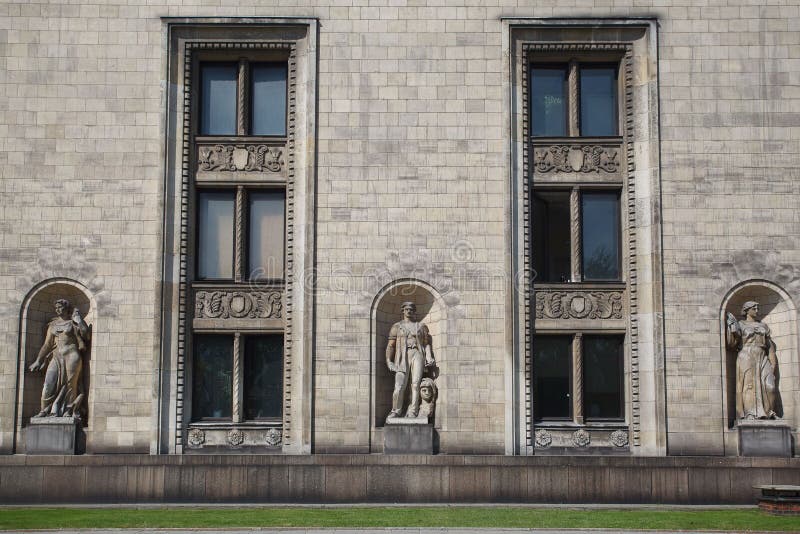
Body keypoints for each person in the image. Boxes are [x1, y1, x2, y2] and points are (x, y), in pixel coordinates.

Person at [28, 299, 90, 419]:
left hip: (72, 355)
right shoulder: (52, 325)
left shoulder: (73, 323)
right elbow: (47, 345)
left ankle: (69, 410)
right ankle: (45, 410)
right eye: (56, 307)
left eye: (60, 307)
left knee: (71, 384)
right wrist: (38, 360)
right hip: (57, 356)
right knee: (48, 384)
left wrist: (79, 320)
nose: (57, 309)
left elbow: (86, 335)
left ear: (66, 308)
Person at [725, 300, 781, 420]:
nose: (757, 311)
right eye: (754, 308)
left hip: (762, 355)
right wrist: (733, 331)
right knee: (748, 385)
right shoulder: (740, 324)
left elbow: (770, 347)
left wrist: (773, 363)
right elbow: (732, 345)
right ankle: (749, 413)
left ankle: (769, 412)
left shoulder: (763, 326)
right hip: (746, 355)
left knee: (770, 386)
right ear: (746, 310)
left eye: (757, 308)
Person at [385, 302, 435, 419]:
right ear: (403, 311)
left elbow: (426, 343)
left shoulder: (420, 326)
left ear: (414, 311)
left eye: (411, 309)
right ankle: (396, 411)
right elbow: (390, 346)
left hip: (417, 354)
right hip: (402, 356)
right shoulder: (397, 326)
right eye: (407, 309)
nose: (409, 311)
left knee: (416, 384)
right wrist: (389, 361)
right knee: (399, 385)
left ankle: (413, 411)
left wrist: (429, 356)